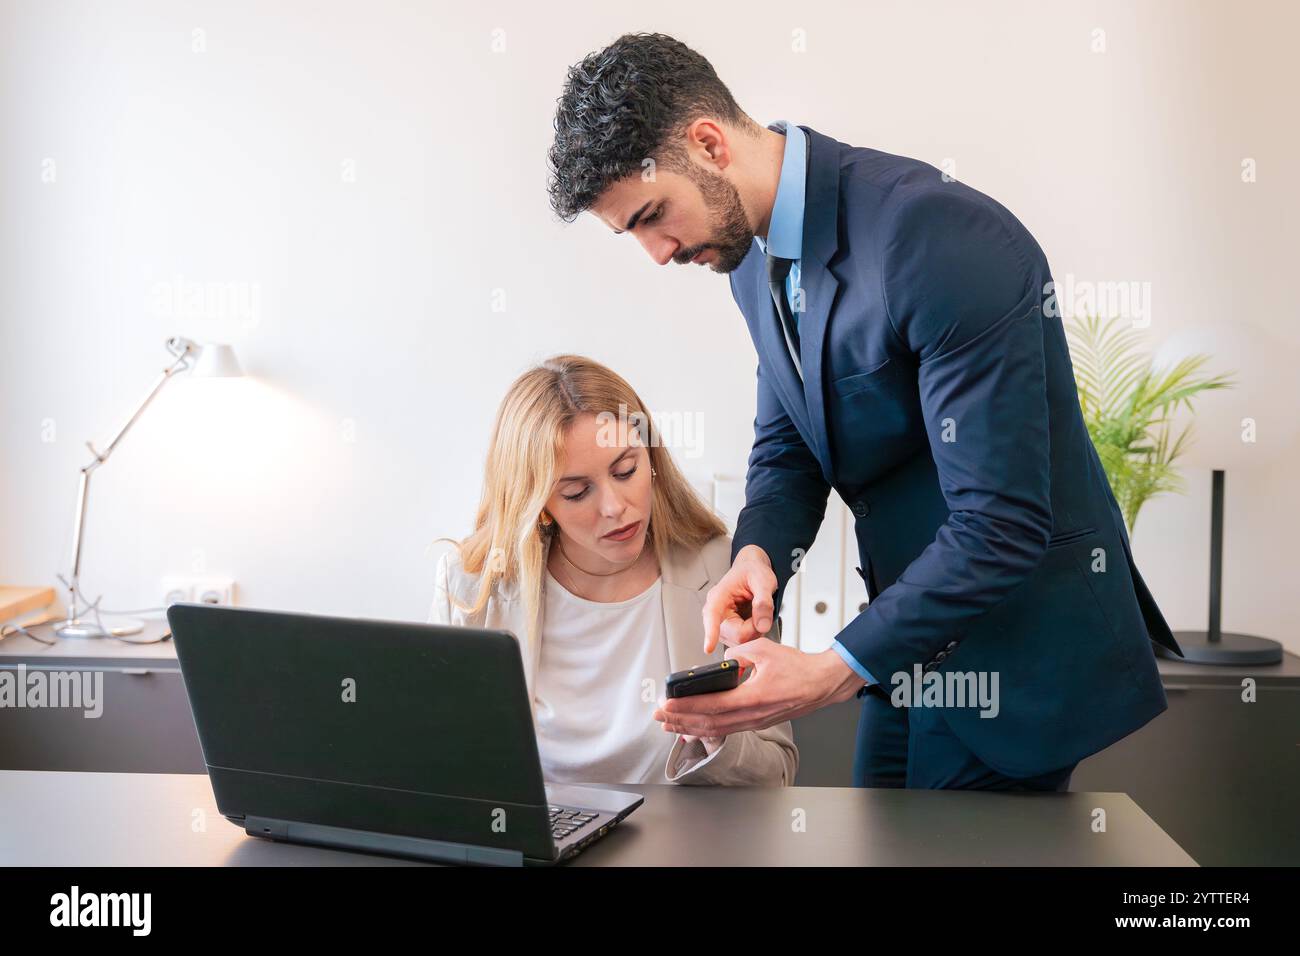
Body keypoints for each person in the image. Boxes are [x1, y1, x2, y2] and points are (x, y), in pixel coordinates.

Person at [546, 33, 1181, 791]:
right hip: (911, 649)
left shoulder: (936, 235)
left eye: (653, 216)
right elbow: (788, 447)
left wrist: (827, 671)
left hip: (1019, 657)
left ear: (708, 143)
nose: (655, 252)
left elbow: (1000, 521)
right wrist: (758, 557)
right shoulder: (748, 259)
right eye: (633, 234)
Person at [429, 354, 797, 786]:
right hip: (535, 849)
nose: (614, 507)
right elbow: (442, 764)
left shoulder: (722, 570)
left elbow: (778, 775)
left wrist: (718, 735)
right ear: (538, 504)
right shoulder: (472, 585)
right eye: (577, 491)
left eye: (626, 470)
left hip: (679, 850)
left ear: (651, 458)